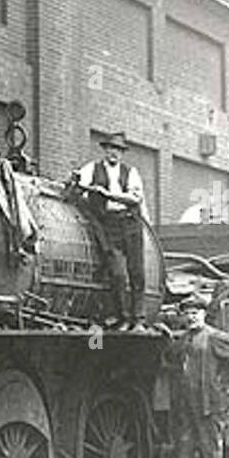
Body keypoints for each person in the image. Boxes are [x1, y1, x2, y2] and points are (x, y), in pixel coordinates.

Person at [165, 293, 229, 458]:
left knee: (208, 445)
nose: (192, 317)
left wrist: (222, 381)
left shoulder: (214, 337)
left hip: (207, 401)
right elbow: (171, 358)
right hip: (185, 401)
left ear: (203, 315)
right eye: (188, 314)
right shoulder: (184, 339)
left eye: (196, 313)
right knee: (184, 443)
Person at [74, 132, 149, 330]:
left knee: (137, 272)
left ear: (122, 153)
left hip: (130, 223)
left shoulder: (131, 172)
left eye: (118, 150)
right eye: (111, 149)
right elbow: (79, 183)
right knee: (117, 274)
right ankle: (123, 317)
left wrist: (109, 194)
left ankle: (138, 319)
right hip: (109, 225)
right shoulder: (92, 168)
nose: (114, 153)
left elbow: (135, 198)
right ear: (105, 150)